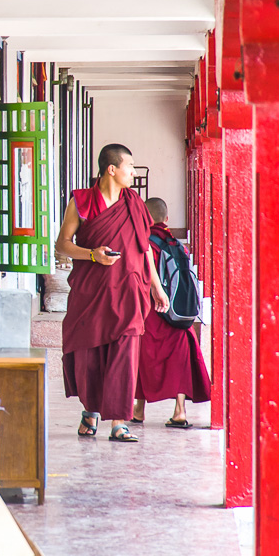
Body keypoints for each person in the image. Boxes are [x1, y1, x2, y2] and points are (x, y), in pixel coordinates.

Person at [55, 144, 169, 442]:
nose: (133, 171)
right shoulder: (81, 202)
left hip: (129, 290)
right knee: (89, 354)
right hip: (91, 292)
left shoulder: (134, 204)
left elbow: (144, 251)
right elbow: (62, 245)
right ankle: (90, 410)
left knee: (126, 353)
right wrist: (92, 254)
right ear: (112, 169)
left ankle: (120, 420)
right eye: (129, 166)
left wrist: (157, 288)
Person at [131, 197, 211, 428]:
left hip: (152, 311)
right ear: (166, 219)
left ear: (144, 218)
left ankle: (139, 408)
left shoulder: (146, 244)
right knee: (181, 354)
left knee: (143, 355)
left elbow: (141, 277)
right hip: (177, 314)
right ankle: (180, 411)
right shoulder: (178, 245)